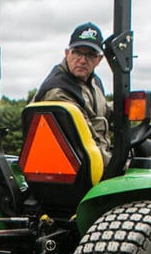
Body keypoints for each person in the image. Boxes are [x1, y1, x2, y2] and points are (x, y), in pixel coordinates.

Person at [33, 22, 111, 165]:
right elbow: (86, 141)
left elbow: (101, 111)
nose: (82, 60)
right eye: (77, 52)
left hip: (93, 160)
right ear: (67, 53)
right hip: (75, 168)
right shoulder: (59, 92)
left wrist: (129, 107)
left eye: (90, 55)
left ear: (99, 60)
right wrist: (118, 166)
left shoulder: (93, 82)